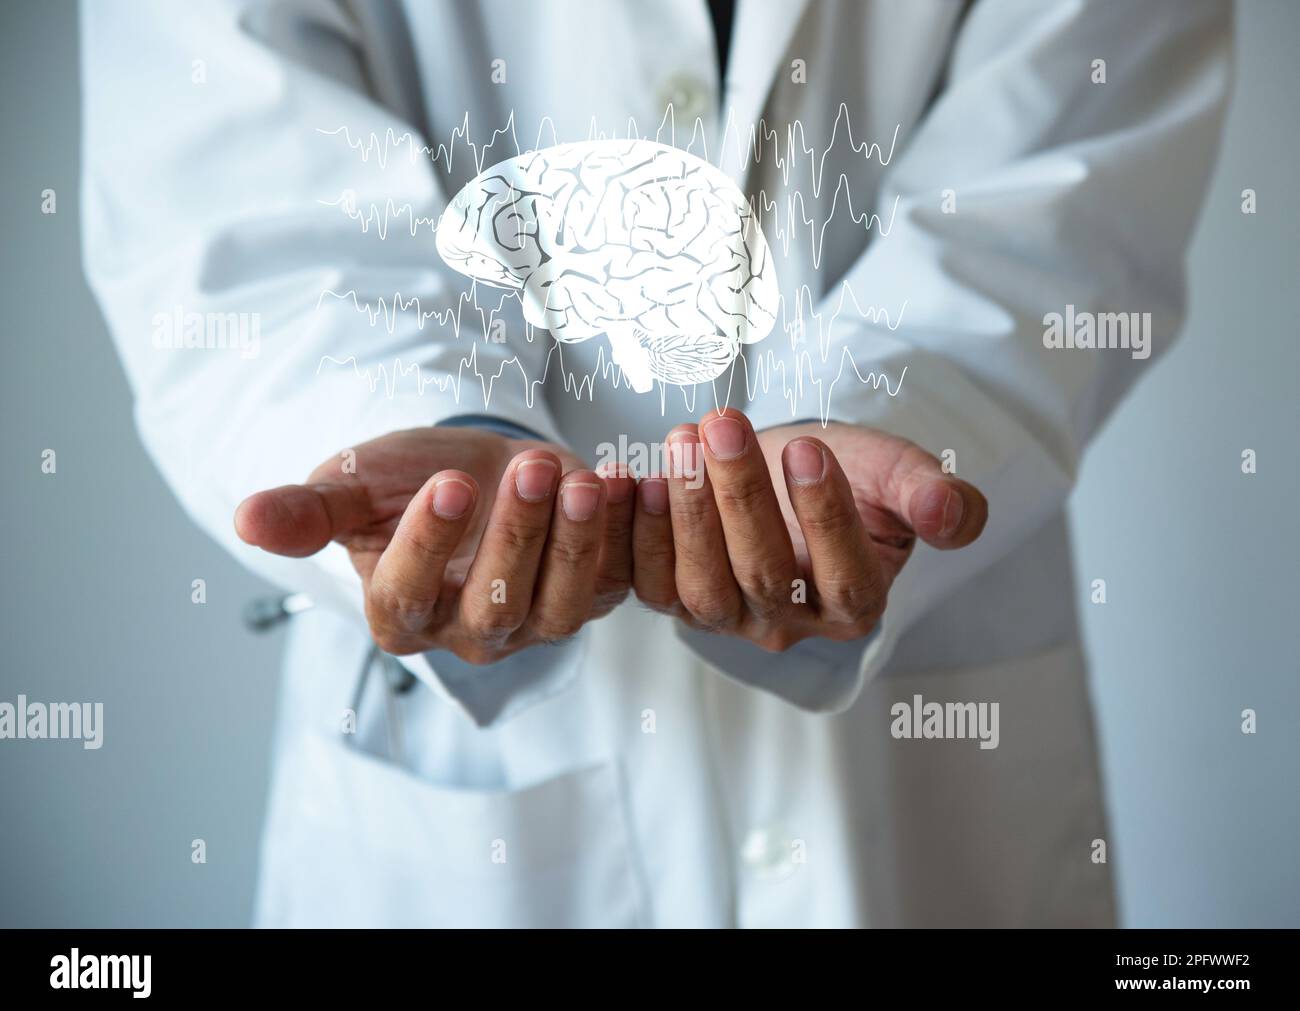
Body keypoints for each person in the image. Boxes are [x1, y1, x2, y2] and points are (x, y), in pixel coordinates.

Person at [82, 0, 1231, 927]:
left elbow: (1062, 182)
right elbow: (229, 185)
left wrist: (892, 414)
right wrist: (405, 413)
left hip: (919, 770)